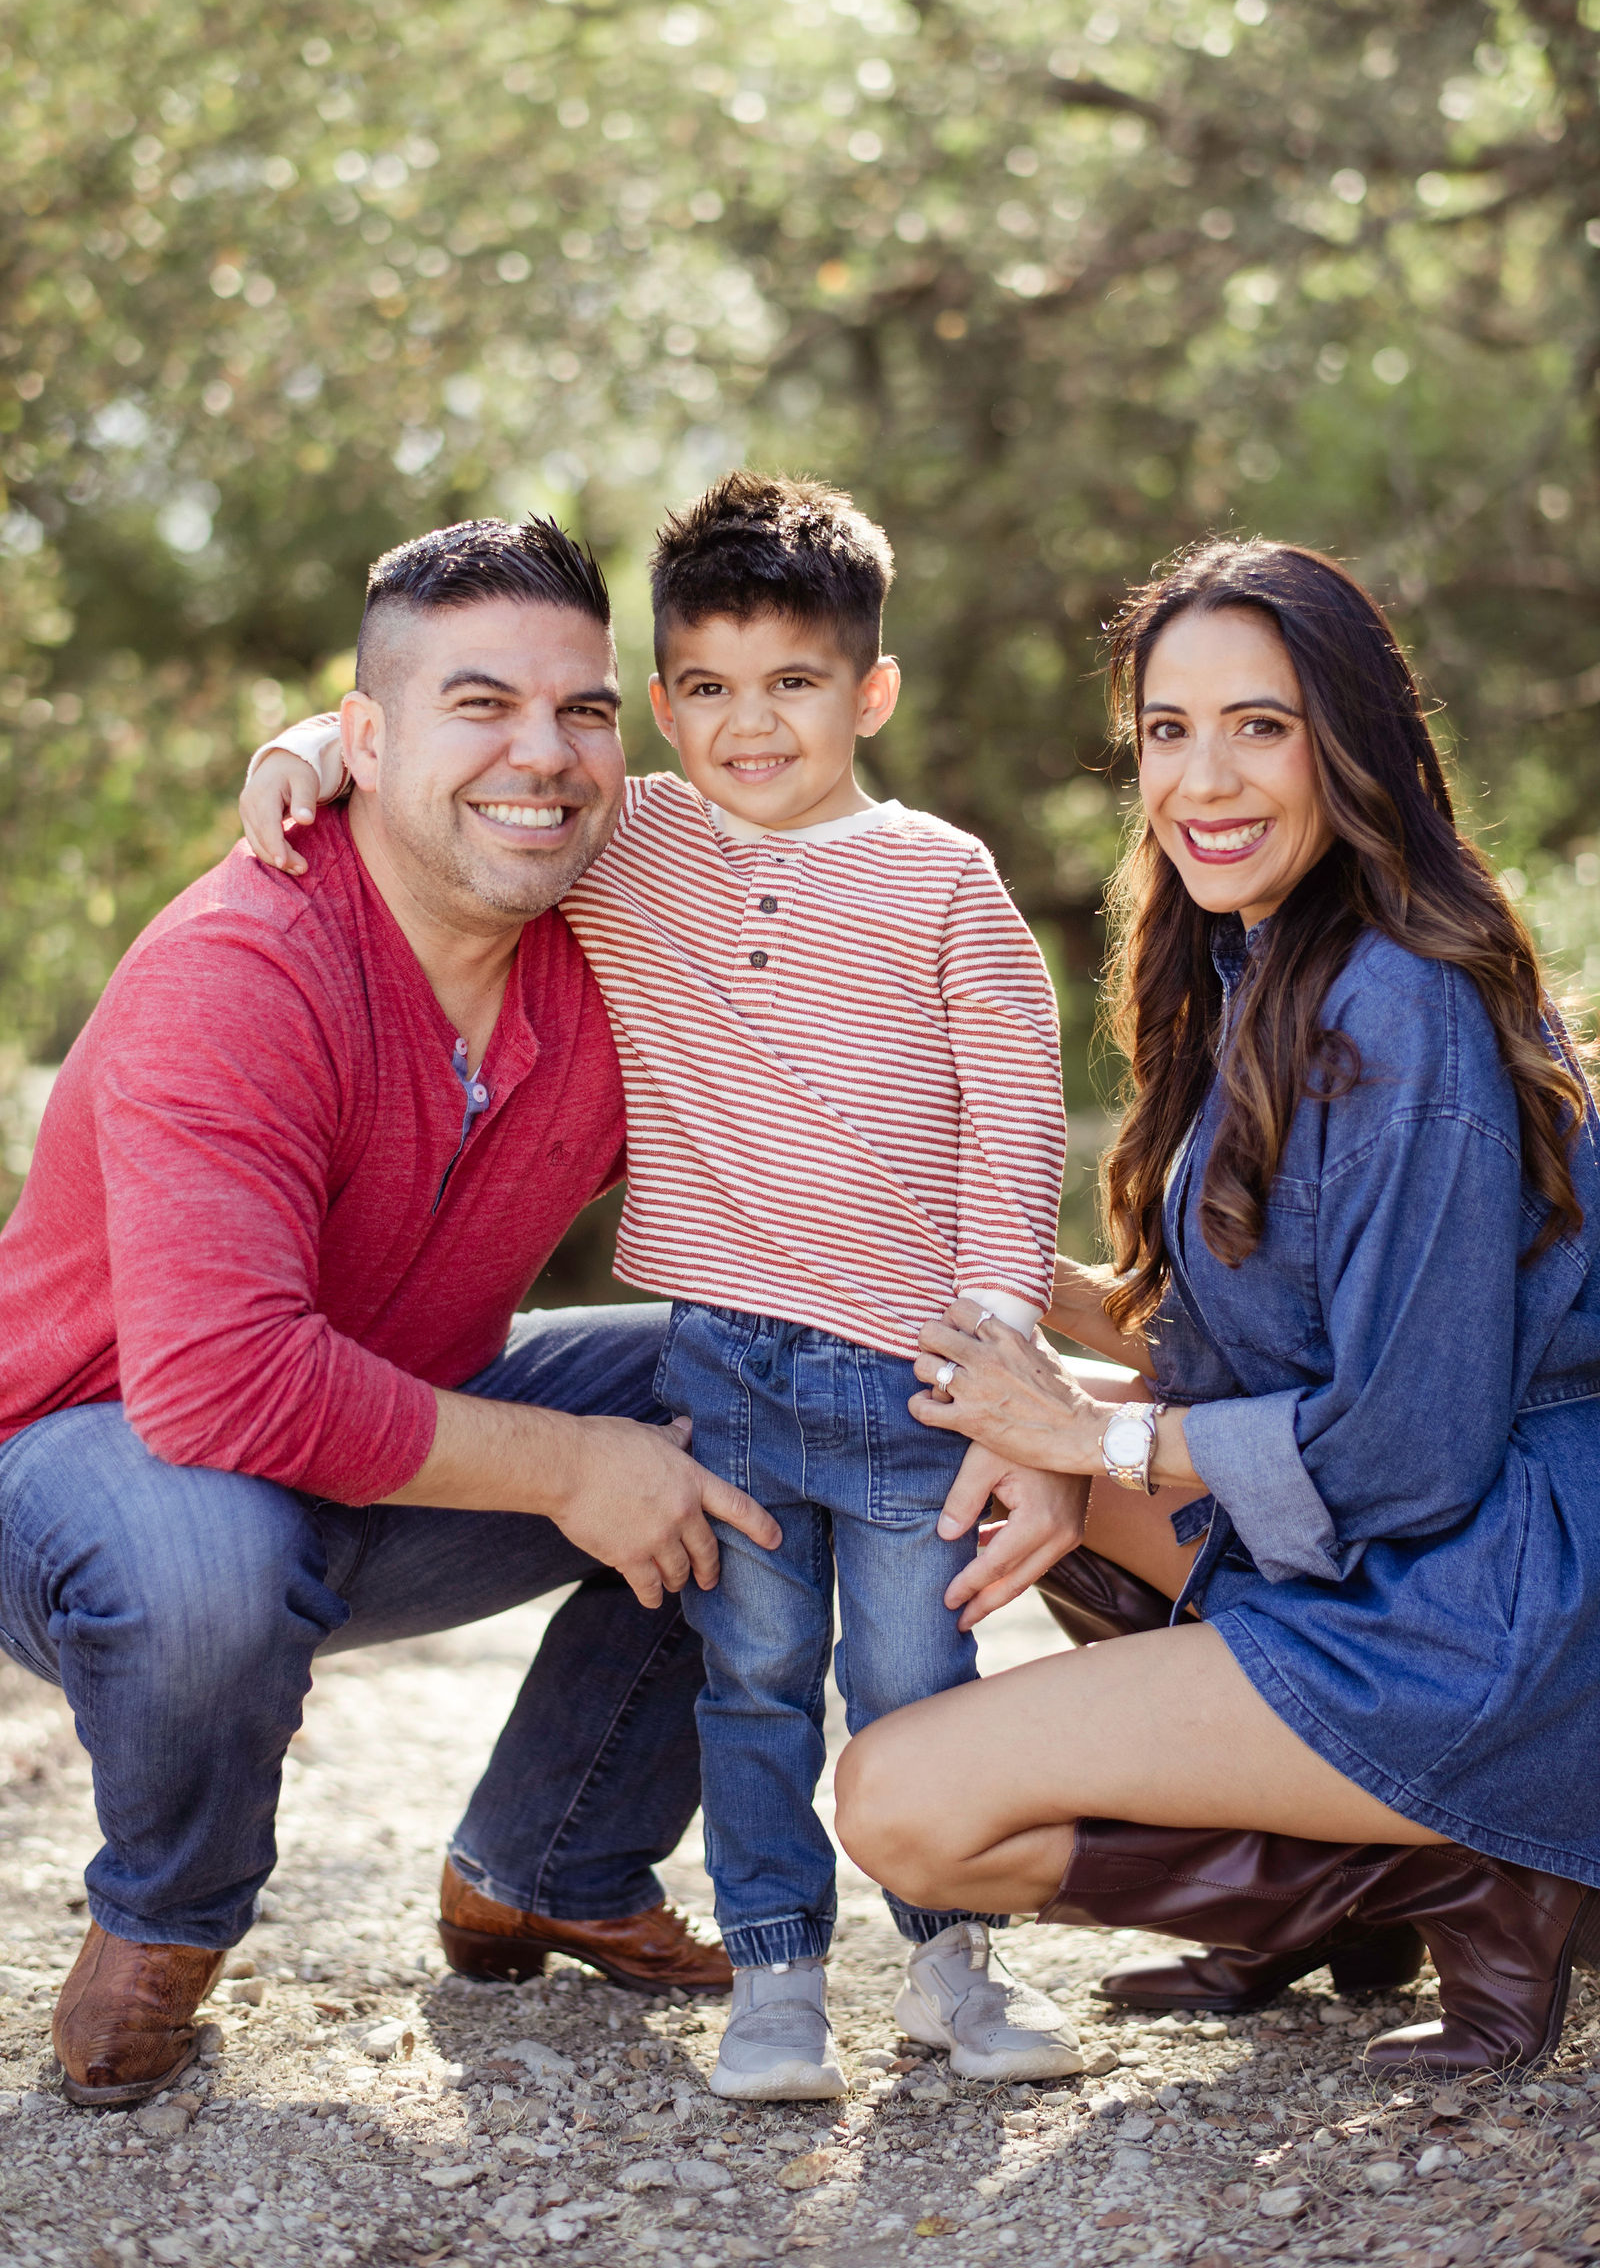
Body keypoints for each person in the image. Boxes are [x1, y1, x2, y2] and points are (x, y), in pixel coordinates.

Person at [242, 474, 1087, 2101]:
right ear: (658, 708)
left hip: (920, 1381)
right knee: (752, 1681)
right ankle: (775, 1979)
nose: (749, 726)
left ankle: (948, 1970)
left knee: (917, 1689)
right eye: (705, 689)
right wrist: (304, 747)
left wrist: (1006, 1353)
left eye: (793, 685)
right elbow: (455, 747)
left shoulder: (943, 880)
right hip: (732, 1375)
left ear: (871, 691)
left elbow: (1013, 1113)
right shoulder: (632, 847)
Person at [0, 516, 787, 2113]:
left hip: (377, 1435)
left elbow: (819, 1121)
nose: (546, 757)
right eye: (478, 704)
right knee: (205, 1549)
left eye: (584, 713)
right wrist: (575, 1468)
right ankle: (165, 1922)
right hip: (89, 1462)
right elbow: (219, 1392)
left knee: (777, 1383)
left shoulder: (612, 920)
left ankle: (549, 1863)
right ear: (368, 742)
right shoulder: (243, 967)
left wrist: (1033, 1321)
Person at [829, 537, 1600, 2079]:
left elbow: (1413, 1445)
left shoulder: (1400, 1012)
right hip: (1399, 1542)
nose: (1202, 778)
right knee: (958, 1436)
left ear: (1353, 745)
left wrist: (1096, 1441)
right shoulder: (1267, 967)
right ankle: (1366, 1885)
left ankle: (1471, 1862)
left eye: (1261, 724)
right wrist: (1008, 1302)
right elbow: (1264, 1337)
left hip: (1481, 1602)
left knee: (904, 1811)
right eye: (1168, 731)